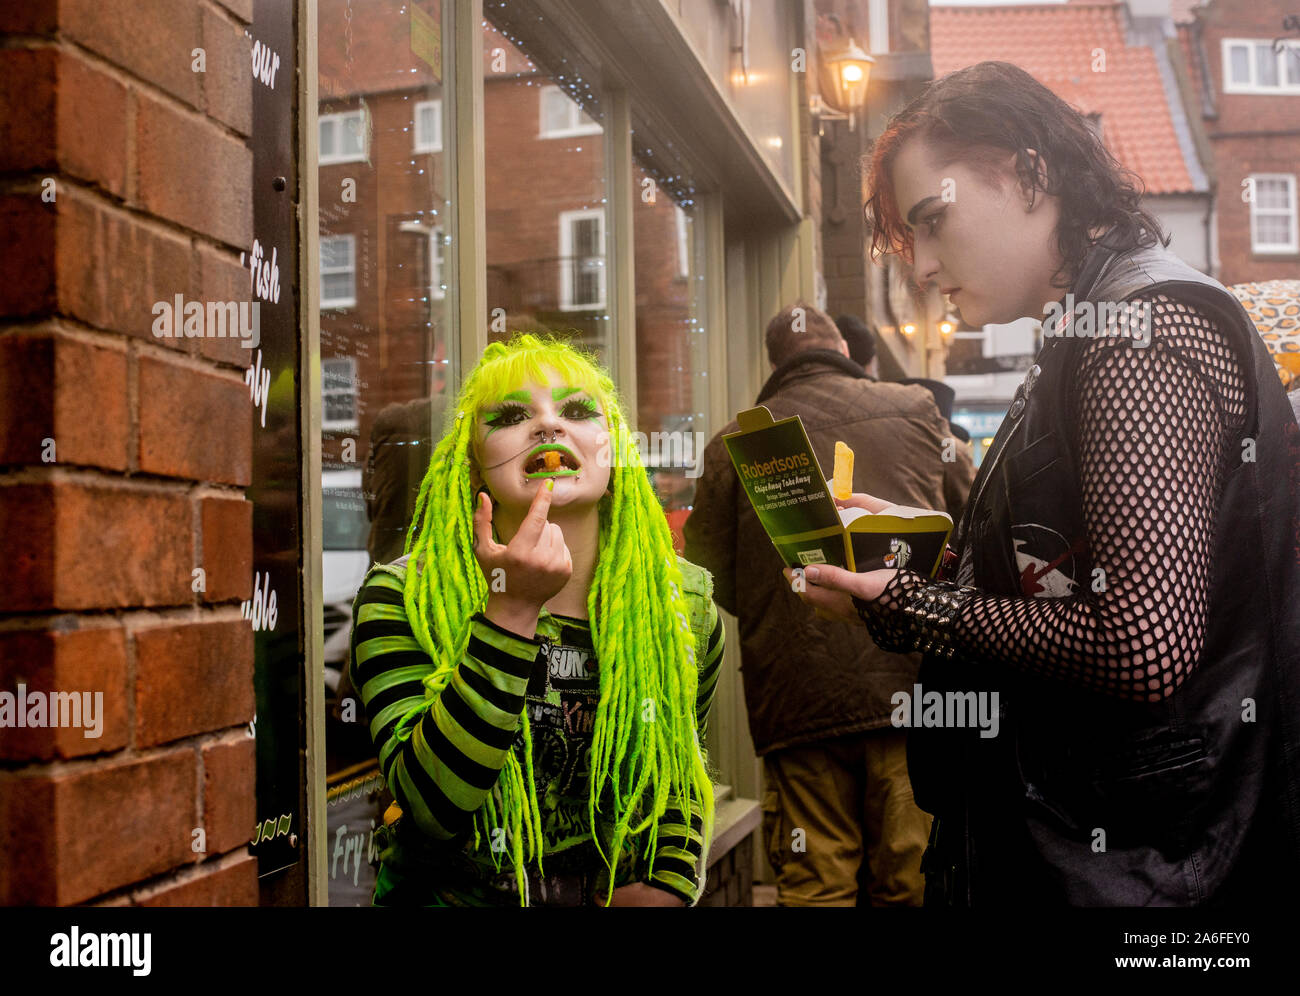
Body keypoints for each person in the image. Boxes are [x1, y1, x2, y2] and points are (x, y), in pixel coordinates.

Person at [793, 61, 1300, 906]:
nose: (920, 266)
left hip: (1150, 869)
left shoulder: (1136, 331)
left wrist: (911, 606)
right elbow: (1079, 558)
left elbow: (1143, 644)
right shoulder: (1096, 326)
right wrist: (937, 546)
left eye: (933, 220)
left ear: (1033, 174)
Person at [348, 334, 724, 907]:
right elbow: (430, 808)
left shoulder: (681, 604)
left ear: (614, 448)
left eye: (576, 411)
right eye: (512, 415)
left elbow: (676, 778)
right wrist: (512, 610)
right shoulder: (404, 598)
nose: (549, 427)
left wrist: (664, 888)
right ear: (471, 465)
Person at [684, 302, 973, 906]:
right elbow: (972, 531)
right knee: (911, 878)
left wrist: (792, 604)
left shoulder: (736, 443)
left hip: (796, 698)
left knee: (817, 886)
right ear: (843, 350)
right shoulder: (917, 408)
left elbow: (710, 577)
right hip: (911, 690)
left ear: (775, 365)